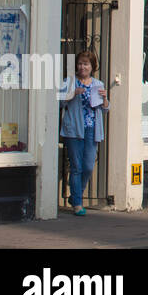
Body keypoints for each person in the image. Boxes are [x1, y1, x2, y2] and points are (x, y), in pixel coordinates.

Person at [58, 50, 109, 215]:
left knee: (88, 166)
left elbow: (106, 109)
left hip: (92, 129)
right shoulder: (70, 81)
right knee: (76, 167)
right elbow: (59, 103)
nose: (82, 67)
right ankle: (78, 204)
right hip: (74, 129)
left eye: (86, 64)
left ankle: (75, 195)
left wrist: (105, 98)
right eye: (80, 63)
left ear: (92, 66)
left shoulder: (98, 84)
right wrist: (72, 94)